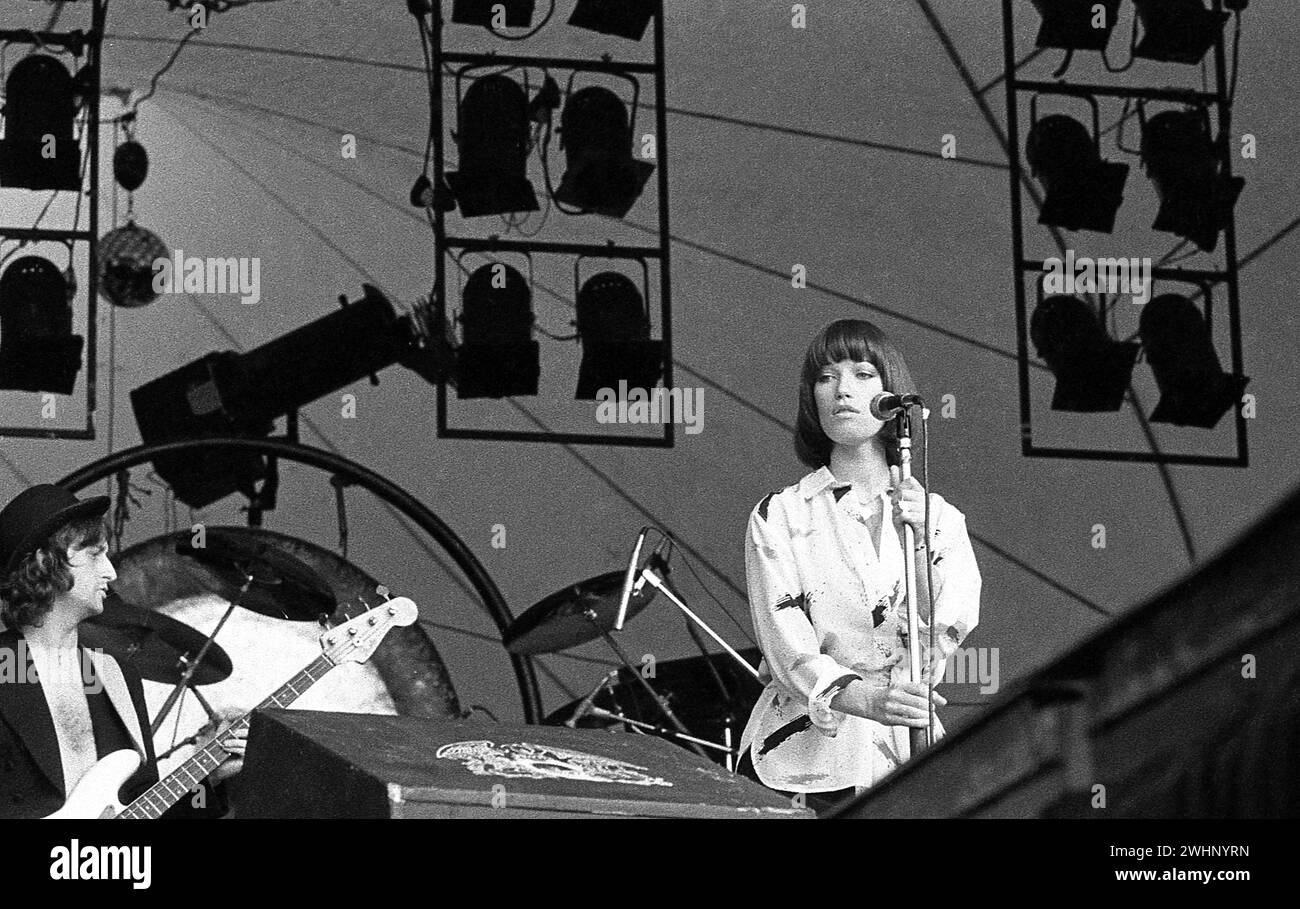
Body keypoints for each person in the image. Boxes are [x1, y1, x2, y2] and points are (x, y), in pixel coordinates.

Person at [737, 319, 981, 813]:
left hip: (908, 750)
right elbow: (786, 647)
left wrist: (919, 542)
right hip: (800, 757)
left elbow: (943, 629)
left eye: (863, 374)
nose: (842, 390)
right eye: (825, 377)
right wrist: (864, 699)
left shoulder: (940, 518)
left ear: (892, 395)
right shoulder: (780, 515)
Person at [0, 484, 245, 818]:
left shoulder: (116, 676)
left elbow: (145, 810)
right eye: (94, 555)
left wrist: (208, 778)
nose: (111, 572)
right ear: (46, 561)